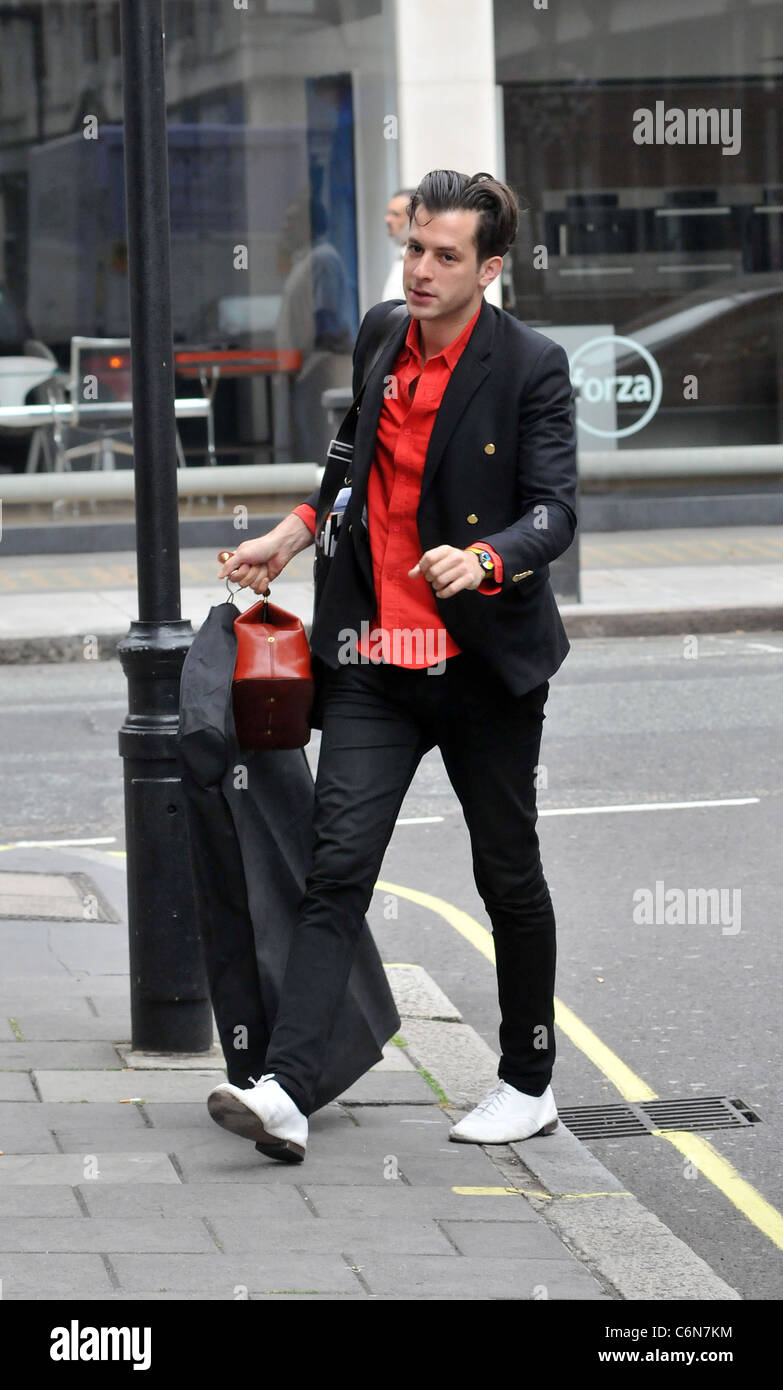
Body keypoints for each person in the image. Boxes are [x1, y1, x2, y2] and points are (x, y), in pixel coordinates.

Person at [208, 169, 577, 1164]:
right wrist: (287, 536)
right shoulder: (381, 333)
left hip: (483, 662)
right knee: (337, 867)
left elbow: (555, 508)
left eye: (445, 255)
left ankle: (528, 1079)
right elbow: (346, 460)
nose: (420, 269)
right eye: (414, 247)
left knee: (507, 872)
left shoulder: (530, 366)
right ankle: (286, 1087)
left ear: (490, 269)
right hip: (378, 653)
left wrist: (488, 556)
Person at [381, 187, 415, 300]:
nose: (387, 219)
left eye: (395, 214)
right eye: (388, 213)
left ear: (414, 219)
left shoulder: (419, 261)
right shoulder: (400, 254)